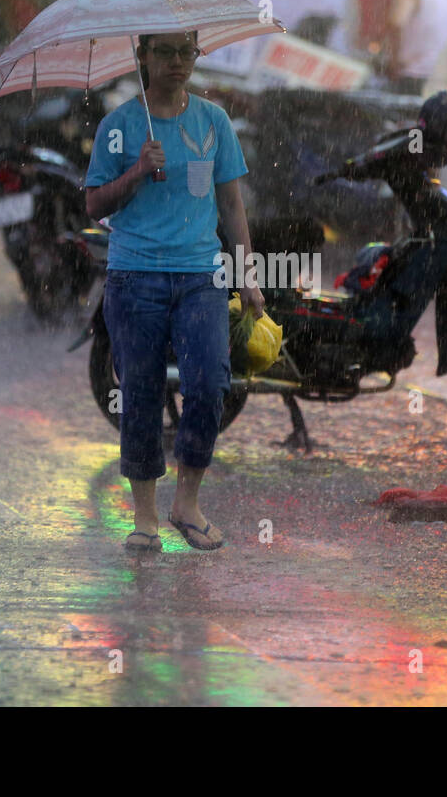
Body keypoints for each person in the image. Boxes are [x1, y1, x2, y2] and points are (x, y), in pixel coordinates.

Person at [84, 31, 264, 554]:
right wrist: (138, 171)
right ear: (142, 55)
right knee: (139, 392)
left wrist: (246, 273)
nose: (178, 63)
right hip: (134, 276)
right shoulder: (117, 128)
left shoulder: (213, 122)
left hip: (200, 275)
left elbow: (231, 205)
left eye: (187, 52)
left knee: (209, 383)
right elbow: (94, 205)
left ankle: (187, 502)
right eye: (165, 52)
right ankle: (144, 518)